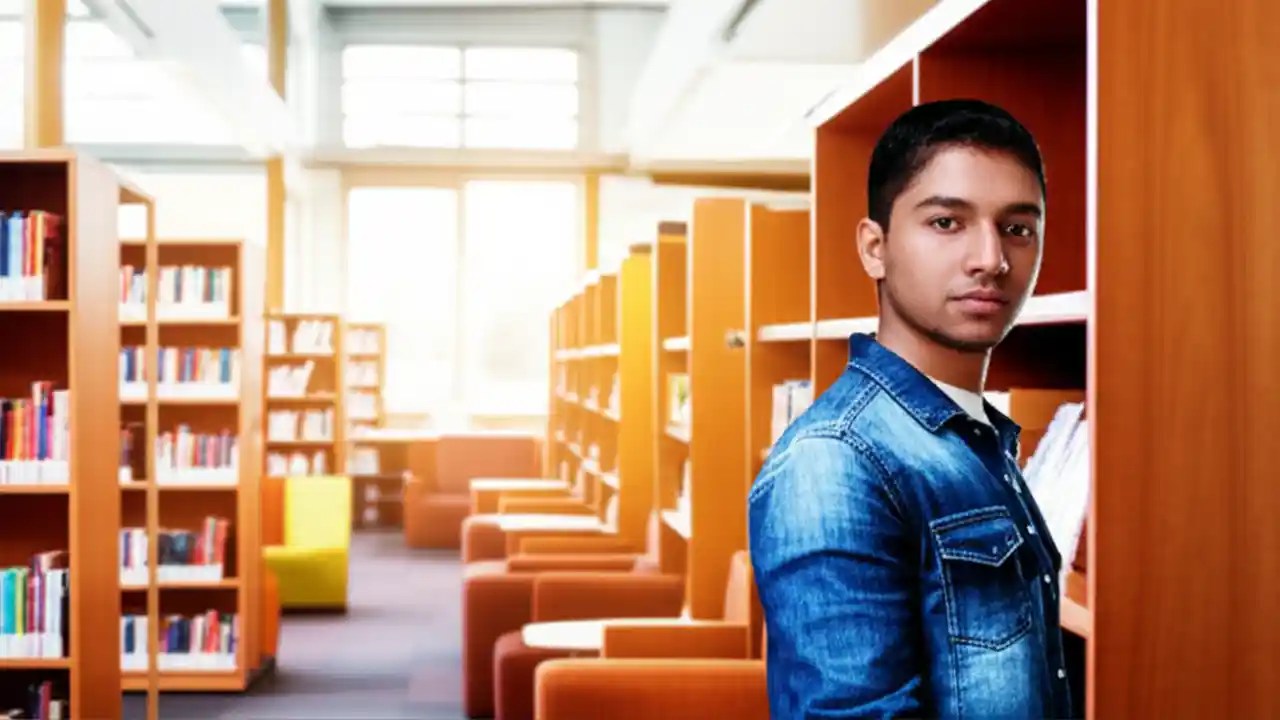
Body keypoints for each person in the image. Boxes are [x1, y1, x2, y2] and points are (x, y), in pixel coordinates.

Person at [748, 99, 1071, 719]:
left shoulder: (978, 441)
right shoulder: (834, 462)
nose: (991, 259)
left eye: (1017, 228)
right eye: (947, 223)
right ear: (875, 247)